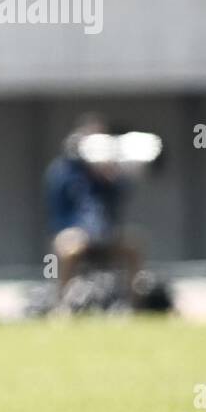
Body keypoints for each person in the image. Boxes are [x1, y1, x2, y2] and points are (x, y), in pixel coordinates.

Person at [44, 113, 143, 301]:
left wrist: (110, 176)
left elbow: (121, 198)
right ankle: (60, 304)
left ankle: (135, 304)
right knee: (69, 249)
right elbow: (58, 208)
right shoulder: (64, 170)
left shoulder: (109, 173)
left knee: (134, 244)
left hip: (106, 233)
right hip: (75, 232)